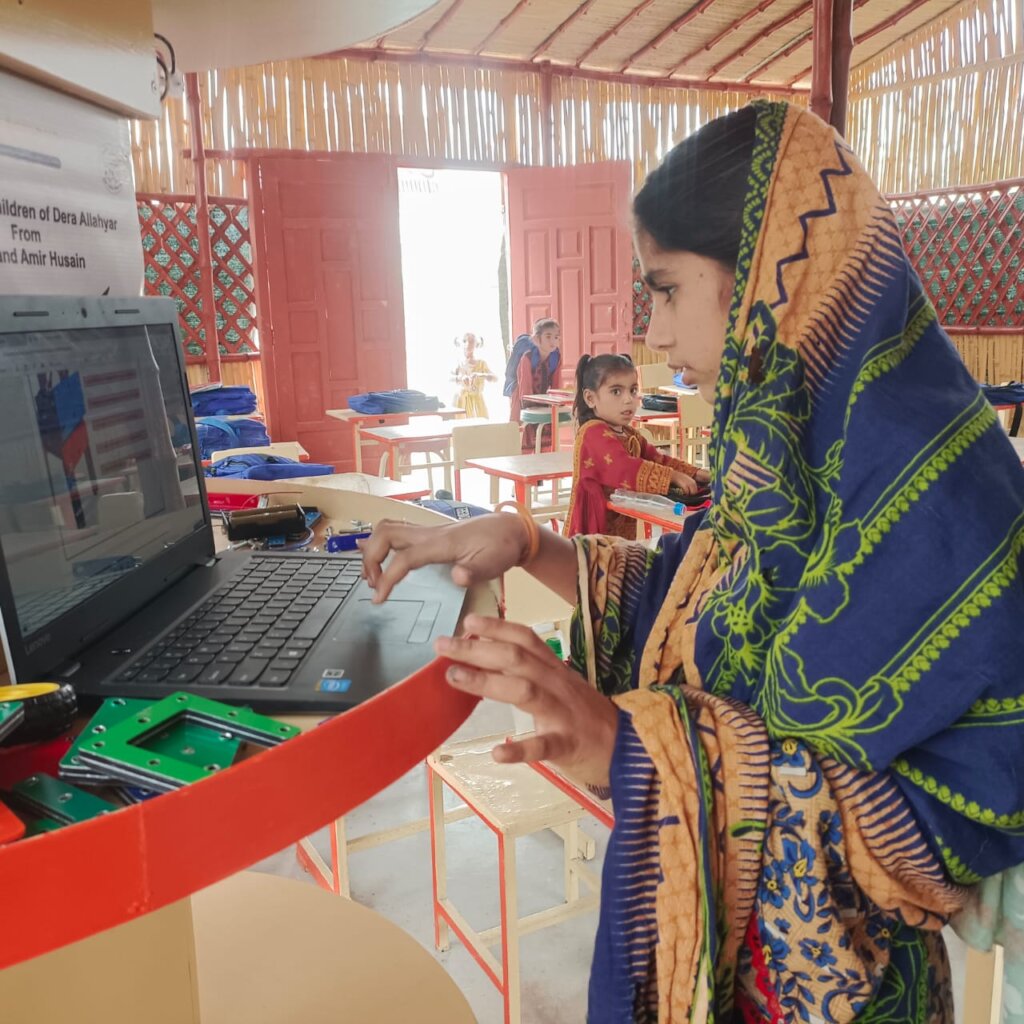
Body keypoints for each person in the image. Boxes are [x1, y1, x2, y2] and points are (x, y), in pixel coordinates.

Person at [360, 101, 1024, 1022]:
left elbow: (935, 829)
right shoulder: (791, 453)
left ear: (763, 277)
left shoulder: (947, 501)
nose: (658, 335)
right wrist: (531, 542)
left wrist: (632, 749)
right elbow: (693, 593)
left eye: (666, 289)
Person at [566, 352, 708, 537]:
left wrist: (694, 473)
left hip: (618, 523)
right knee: (593, 564)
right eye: (616, 391)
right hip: (593, 526)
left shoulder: (628, 433)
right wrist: (672, 476)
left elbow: (657, 459)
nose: (628, 399)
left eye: (633, 390)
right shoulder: (593, 432)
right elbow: (624, 467)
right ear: (590, 398)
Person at [506, 317, 562, 452]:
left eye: (556, 337)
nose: (553, 341)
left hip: (543, 399)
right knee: (520, 432)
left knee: (545, 432)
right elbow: (524, 386)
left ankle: (544, 466)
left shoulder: (556, 357)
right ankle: (520, 466)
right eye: (548, 336)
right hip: (521, 398)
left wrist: (554, 401)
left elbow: (555, 384)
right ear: (537, 339)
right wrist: (529, 406)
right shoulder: (527, 357)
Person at [450, 332, 495, 419]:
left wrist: (480, 375)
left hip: (477, 402)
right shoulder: (458, 363)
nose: (468, 344)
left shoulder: (481, 363)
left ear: (476, 344)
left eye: (471, 342)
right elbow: (448, 378)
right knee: (462, 428)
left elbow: (494, 378)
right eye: (465, 341)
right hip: (461, 401)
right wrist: (460, 378)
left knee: (480, 428)